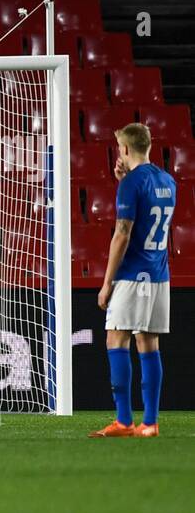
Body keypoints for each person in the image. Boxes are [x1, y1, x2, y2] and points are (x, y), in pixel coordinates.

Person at [92, 123, 177, 438]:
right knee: (149, 343)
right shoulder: (167, 180)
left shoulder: (131, 184)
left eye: (119, 149)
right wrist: (125, 181)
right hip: (159, 274)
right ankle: (150, 423)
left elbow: (123, 234)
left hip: (133, 275)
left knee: (116, 339)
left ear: (125, 149)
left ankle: (125, 421)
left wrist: (107, 282)